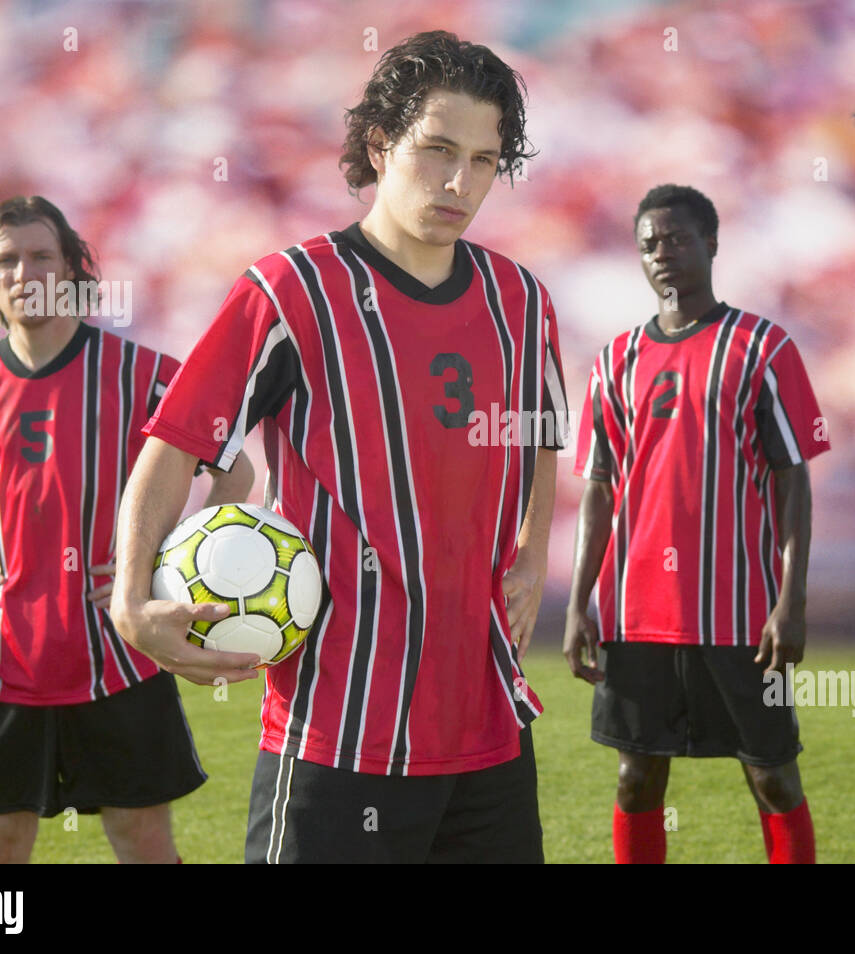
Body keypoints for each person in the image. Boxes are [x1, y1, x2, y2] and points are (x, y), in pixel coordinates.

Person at [110, 30, 567, 864]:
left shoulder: (521, 302)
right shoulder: (291, 293)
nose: (461, 182)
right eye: (437, 151)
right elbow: (175, 445)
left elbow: (543, 432)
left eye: (484, 159)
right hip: (339, 728)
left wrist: (533, 550)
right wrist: (131, 601)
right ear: (380, 143)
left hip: (492, 726)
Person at [0, 195, 254, 863]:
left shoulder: (140, 374)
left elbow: (234, 468)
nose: (24, 273)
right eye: (6, 260)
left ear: (75, 268)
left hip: (119, 650)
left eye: (41, 256)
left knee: (141, 837)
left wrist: (168, 564)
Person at [564, 185, 827, 864]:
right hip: (634, 614)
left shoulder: (763, 347)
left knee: (771, 774)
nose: (664, 254)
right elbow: (599, 489)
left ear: (711, 244)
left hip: (739, 615)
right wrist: (579, 603)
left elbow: (792, 477)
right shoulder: (614, 360)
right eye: (650, 243)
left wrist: (790, 603)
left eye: (678, 238)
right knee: (636, 779)